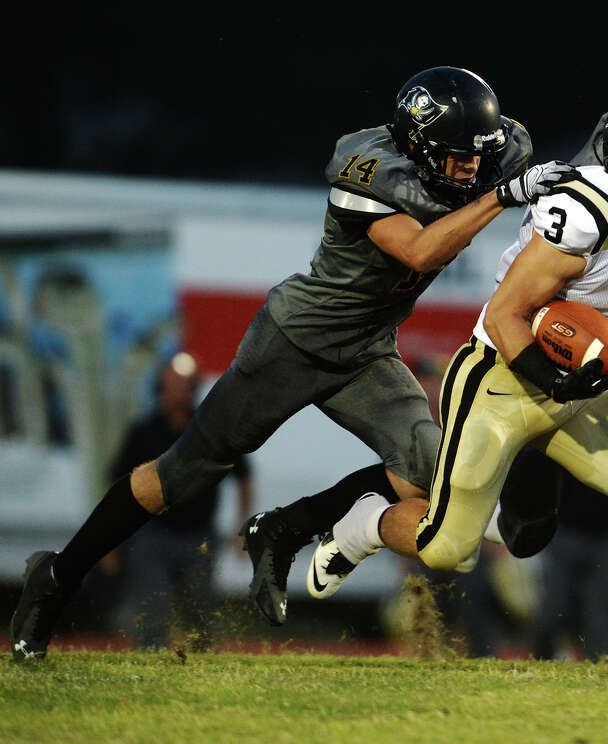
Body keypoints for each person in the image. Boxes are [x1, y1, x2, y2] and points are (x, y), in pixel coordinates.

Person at [9, 65, 572, 660]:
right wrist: (503, 196)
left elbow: (550, 173)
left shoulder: (496, 149)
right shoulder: (368, 167)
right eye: (455, 156)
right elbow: (420, 248)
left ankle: (283, 530)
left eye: (477, 157)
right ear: (415, 142)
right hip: (295, 341)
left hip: (367, 350)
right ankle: (56, 578)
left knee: (431, 472)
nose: (471, 168)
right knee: (184, 473)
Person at [308, 88, 608, 680]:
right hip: (503, 376)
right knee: (448, 547)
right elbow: (508, 313)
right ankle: (364, 525)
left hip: (579, 385)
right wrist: (548, 378)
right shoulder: (589, 209)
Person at [110, 352, 252, 650]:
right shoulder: (143, 433)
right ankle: (149, 664)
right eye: (172, 384)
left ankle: (203, 663)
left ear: (193, 388)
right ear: (161, 388)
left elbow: (244, 476)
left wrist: (242, 527)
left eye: (184, 384)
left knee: (199, 610)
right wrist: (110, 542)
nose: (178, 391)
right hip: (151, 535)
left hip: (198, 537)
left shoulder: (210, 432)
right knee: (153, 607)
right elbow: (118, 485)